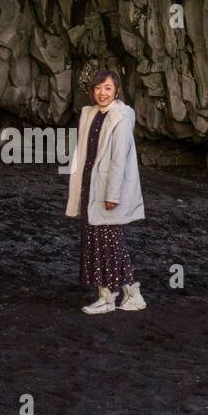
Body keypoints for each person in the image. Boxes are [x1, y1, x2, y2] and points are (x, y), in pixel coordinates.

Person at [65, 69, 146, 314]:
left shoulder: (119, 118)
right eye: (98, 88)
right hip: (90, 187)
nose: (103, 93)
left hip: (108, 191)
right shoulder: (89, 115)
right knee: (95, 242)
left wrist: (112, 196)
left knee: (111, 243)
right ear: (92, 91)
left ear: (116, 91)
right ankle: (119, 295)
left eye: (108, 88)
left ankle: (117, 296)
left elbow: (118, 161)